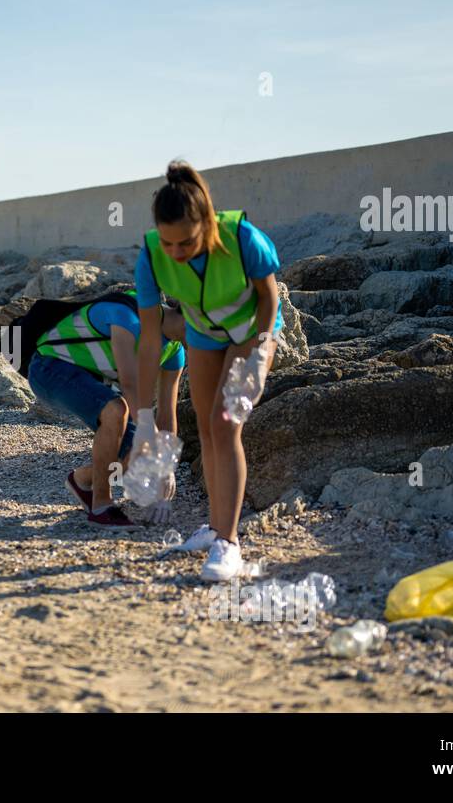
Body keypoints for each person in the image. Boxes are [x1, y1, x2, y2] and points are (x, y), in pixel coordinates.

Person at [132, 160, 284, 581]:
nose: (176, 253)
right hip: (203, 334)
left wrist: (263, 350)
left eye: (186, 243)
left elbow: (269, 296)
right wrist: (144, 418)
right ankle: (215, 526)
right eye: (169, 244)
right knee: (205, 423)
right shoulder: (151, 255)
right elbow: (149, 338)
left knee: (225, 423)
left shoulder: (241, 237)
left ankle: (229, 543)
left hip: (251, 334)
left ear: (206, 224)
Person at [26, 291, 187, 526]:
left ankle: (82, 480)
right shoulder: (129, 316)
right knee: (116, 409)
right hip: (48, 368)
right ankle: (101, 505)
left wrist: (165, 464)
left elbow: (166, 413)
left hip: (90, 382)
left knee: (140, 457)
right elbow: (129, 383)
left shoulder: (174, 351)